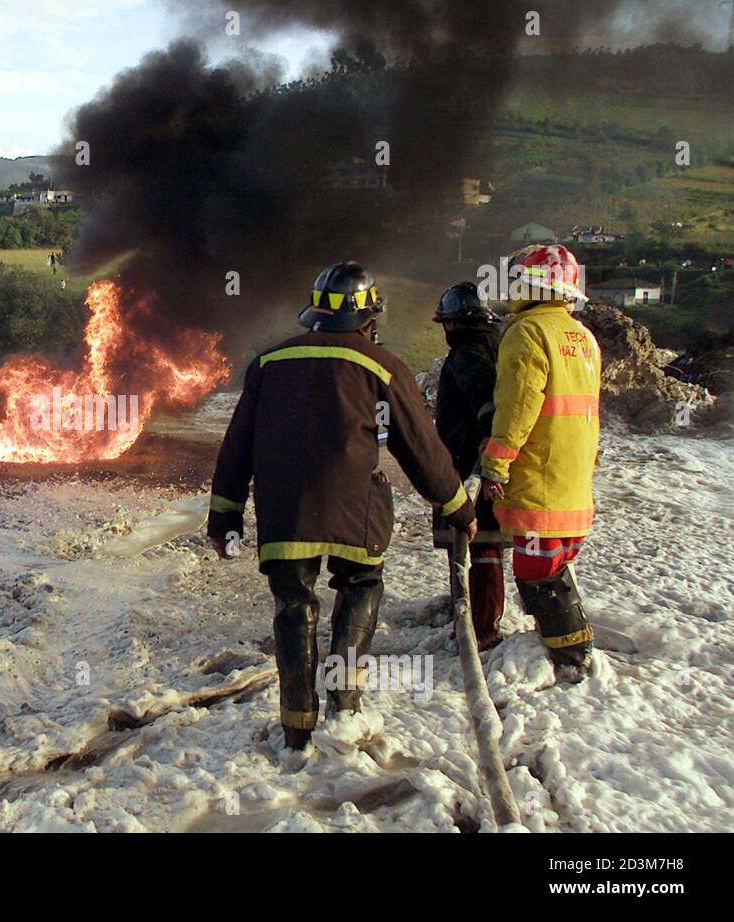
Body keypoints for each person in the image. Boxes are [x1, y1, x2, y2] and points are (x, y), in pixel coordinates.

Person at [208, 262, 477, 751]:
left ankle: (296, 728)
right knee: (361, 585)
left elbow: (236, 447)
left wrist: (224, 517)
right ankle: (345, 705)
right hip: (358, 511)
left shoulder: (269, 363)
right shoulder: (382, 366)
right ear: (369, 320)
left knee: (293, 603)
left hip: (285, 511)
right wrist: (457, 506)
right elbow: (422, 451)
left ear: (315, 316)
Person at [480, 245, 601, 682]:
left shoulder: (527, 332)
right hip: (573, 480)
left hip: (539, 479)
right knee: (554, 565)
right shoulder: (582, 336)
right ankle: (560, 649)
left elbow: (517, 406)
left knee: (536, 572)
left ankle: (572, 655)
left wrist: (497, 460)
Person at [431, 282, 508, 650]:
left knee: (478, 543)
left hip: (472, 465)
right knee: (477, 541)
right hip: (485, 463)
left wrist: (485, 466)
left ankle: (480, 628)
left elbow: (487, 408)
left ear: (457, 323)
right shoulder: (496, 344)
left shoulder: (470, 352)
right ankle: (471, 612)